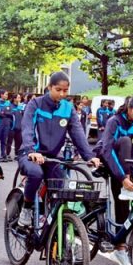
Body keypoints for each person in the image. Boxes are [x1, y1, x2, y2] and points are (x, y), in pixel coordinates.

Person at [17, 72, 100, 228]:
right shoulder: (35, 104)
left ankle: (53, 226)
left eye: (65, 90)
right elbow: (27, 128)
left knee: (61, 188)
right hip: (30, 154)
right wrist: (31, 150)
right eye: (58, 90)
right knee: (36, 174)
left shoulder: (68, 108)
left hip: (53, 157)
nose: (62, 94)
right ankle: (26, 208)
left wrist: (89, 156)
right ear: (49, 88)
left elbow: (78, 133)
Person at [94, 93, 133, 265]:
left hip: (128, 164)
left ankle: (124, 238)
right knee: (125, 141)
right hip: (110, 160)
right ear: (129, 107)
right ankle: (120, 247)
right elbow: (107, 150)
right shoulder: (114, 121)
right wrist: (123, 177)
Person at [0, 90, 13, 161]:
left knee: (4, 140)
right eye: (5, 94)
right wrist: (5, 113)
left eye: (7, 95)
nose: (6, 96)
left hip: (6, 124)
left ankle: (3, 155)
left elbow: (11, 113)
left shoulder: (8, 103)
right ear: (1, 95)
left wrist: (5, 112)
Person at [6, 93, 24, 158]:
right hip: (12, 127)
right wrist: (15, 111)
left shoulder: (21, 106)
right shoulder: (10, 105)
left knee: (19, 142)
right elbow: (7, 113)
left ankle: (17, 154)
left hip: (19, 128)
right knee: (9, 142)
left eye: (20, 97)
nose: (20, 99)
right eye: (18, 97)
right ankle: (7, 154)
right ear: (14, 99)